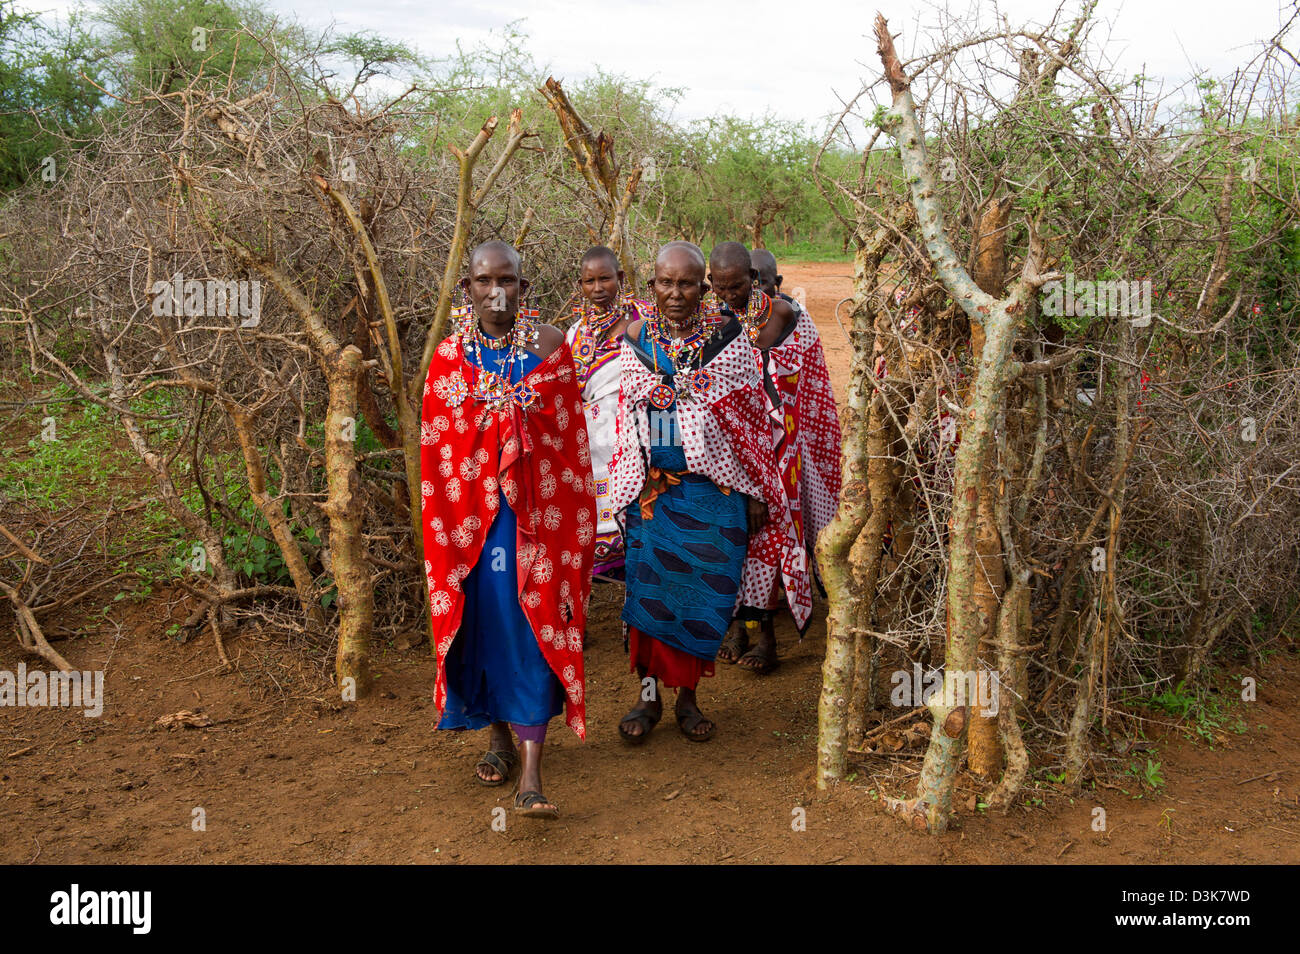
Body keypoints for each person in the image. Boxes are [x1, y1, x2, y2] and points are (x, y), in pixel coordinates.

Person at [420, 240, 596, 819]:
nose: (496, 292)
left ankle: (532, 774)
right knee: (486, 624)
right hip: (474, 527)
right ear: (467, 288)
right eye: (483, 280)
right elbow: (438, 452)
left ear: (525, 286)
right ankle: (496, 736)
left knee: (532, 623)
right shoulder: (449, 359)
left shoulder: (551, 349)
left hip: (537, 523)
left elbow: (571, 450)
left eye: (508, 281)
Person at [607, 241, 787, 742]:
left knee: (702, 599)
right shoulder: (638, 340)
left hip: (716, 494)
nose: (676, 293)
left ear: (703, 289)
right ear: (652, 287)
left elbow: (751, 426)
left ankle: (688, 699)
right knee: (648, 597)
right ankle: (648, 699)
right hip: (654, 494)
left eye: (687, 283)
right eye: (666, 283)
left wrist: (753, 493)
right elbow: (628, 423)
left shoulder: (729, 341)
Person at [706, 242, 836, 674]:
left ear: (755, 280)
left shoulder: (790, 318)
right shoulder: (708, 325)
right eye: (720, 288)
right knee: (738, 542)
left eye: (737, 286)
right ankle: (739, 629)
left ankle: (767, 638)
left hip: (783, 455)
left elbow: (813, 388)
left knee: (776, 541)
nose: (729, 296)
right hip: (734, 457)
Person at [565, 245, 642, 580]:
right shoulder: (575, 333)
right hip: (590, 449)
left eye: (605, 279)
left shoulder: (643, 323)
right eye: (589, 281)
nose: (597, 289)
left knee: (636, 528)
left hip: (631, 444)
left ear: (620, 278)